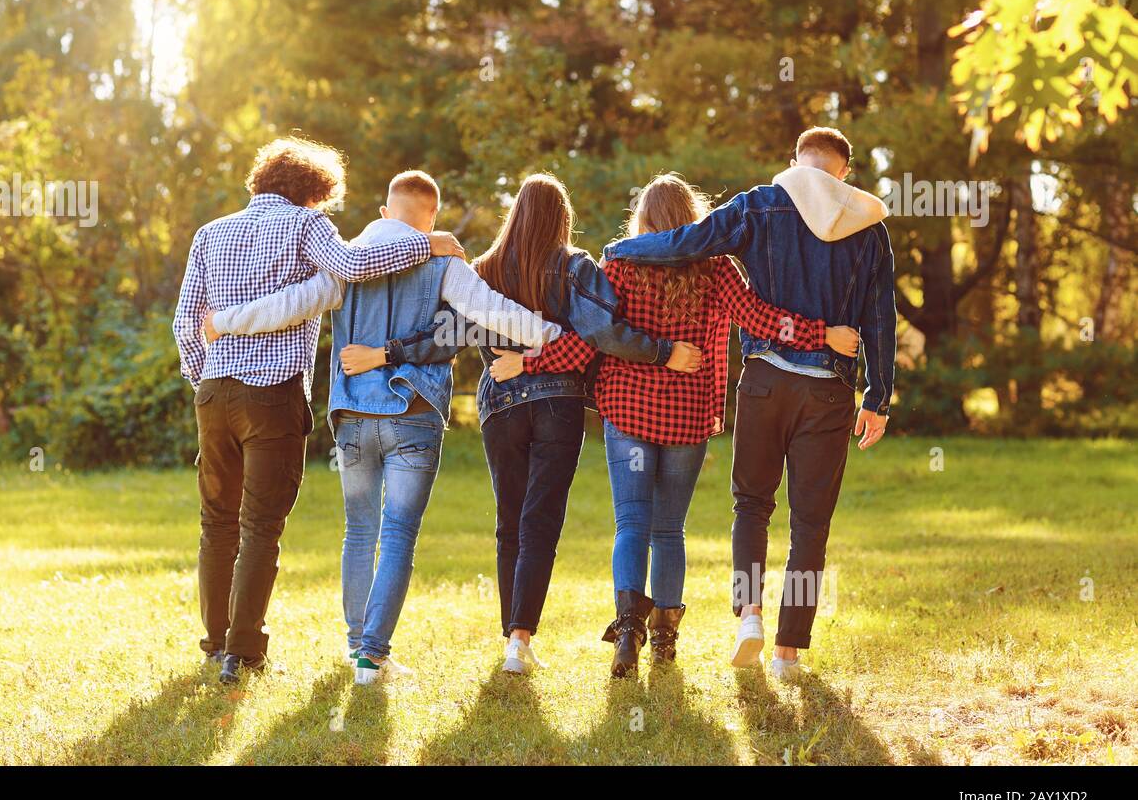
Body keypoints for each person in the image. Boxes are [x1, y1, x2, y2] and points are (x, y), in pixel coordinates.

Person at [491, 174, 861, 678]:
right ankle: (665, 636)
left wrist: (530, 362)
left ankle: (628, 631)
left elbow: (593, 338)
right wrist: (823, 334)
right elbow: (760, 319)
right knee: (669, 529)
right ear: (693, 218)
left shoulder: (620, 262)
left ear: (644, 220)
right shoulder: (714, 267)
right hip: (686, 415)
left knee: (631, 523)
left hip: (627, 408)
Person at [203, 170, 560, 684]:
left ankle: (356, 648)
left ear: (384, 212)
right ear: (431, 219)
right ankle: (372, 657)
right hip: (412, 414)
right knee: (397, 535)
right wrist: (552, 333)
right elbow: (497, 314)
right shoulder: (442, 259)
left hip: (351, 416)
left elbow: (289, 305)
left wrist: (226, 320)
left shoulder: (345, 258)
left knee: (359, 532)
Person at [344, 173, 701, 675]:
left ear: (514, 215)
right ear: (563, 219)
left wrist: (390, 352)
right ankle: (520, 640)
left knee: (508, 520)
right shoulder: (577, 268)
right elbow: (599, 335)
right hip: (558, 405)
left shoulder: (481, 268)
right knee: (541, 520)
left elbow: (448, 334)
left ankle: (511, 636)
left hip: (500, 406)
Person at [603, 127, 895, 681]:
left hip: (763, 384)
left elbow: (686, 240)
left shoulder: (759, 205)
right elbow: (882, 314)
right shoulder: (870, 229)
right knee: (811, 523)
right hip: (827, 391)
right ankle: (787, 652)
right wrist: (878, 394)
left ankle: (749, 615)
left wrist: (624, 248)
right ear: (844, 174)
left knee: (751, 507)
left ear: (795, 161)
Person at [171, 139, 465, 685]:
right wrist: (425, 245)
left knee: (216, 522)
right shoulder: (308, 227)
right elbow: (355, 264)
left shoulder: (209, 234)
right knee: (260, 526)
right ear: (314, 191)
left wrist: (203, 381)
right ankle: (243, 653)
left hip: (214, 395)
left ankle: (215, 644)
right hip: (272, 393)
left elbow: (185, 324)